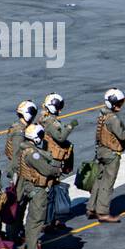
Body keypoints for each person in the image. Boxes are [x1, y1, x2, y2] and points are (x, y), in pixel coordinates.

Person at [87, 87, 125, 223]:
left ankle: (91, 208)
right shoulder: (113, 119)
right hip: (111, 154)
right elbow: (122, 135)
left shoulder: (103, 115)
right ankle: (102, 213)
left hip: (101, 151)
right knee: (107, 183)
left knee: (98, 181)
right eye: (118, 103)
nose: (120, 105)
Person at [15, 123, 63, 249]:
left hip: (29, 187)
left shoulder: (26, 149)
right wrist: (57, 169)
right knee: (36, 221)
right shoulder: (33, 154)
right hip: (37, 189)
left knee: (31, 220)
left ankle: (31, 246)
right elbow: (46, 170)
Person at [36, 93, 77, 231]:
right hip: (52, 160)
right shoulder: (50, 122)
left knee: (52, 190)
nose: (60, 110)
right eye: (58, 107)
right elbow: (60, 136)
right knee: (49, 192)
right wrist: (70, 126)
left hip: (53, 159)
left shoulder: (47, 119)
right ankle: (46, 222)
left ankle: (52, 219)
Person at [2, 100, 38, 245]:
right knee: (17, 204)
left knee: (20, 204)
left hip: (20, 170)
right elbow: (17, 154)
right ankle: (12, 235)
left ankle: (15, 232)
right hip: (19, 172)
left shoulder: (18, 127)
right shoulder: (20, 132)